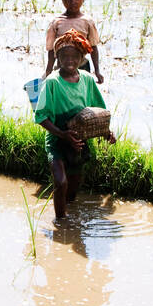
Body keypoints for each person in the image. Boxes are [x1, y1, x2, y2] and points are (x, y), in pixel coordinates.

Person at [35, 31, 116, 220]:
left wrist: (107, 132)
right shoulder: (52, 82)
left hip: (79, 140)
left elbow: (98, 111)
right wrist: (63, 134)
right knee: (60, 182)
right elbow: (41, 117)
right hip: (57, 139)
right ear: (57, 58)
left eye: (74, 57)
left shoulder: (86, 79)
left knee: (72, 187)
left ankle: (68, 214)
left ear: (81, 59)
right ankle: (61, 222)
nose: (69, 61)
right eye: (64, 56)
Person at [41, 0, 103, 84]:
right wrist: (48, 71)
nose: (72, 2)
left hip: (82, 67)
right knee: (62, 97)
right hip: (61, 68)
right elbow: (52, 50)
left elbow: (93, 47)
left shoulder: (87, 22)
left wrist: (97, 71)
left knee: (81, 97)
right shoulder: (56, 23)